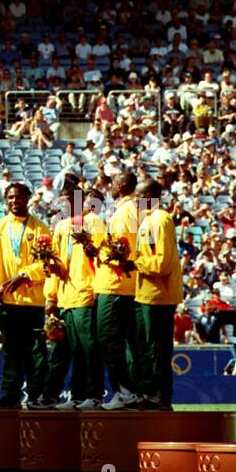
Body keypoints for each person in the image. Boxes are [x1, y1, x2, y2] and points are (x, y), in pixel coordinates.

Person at [0, 183, 52, 409]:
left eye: (19, 197)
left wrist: (24, 275)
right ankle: (10, 394)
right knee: (10, 351)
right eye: (11, 197)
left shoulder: (40, 228)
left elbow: (47, 264)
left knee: (35, 352)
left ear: (28, 199)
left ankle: (35, 394)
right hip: (7, 301)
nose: (14, 201)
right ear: (5, 199)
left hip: (33, 301)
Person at [44, 186, 105, 409]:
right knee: (72, 349)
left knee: (88, 348)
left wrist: (98, 290)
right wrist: (51, 296)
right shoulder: (61, 227)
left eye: (71, 201)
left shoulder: (94, 223)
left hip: (86, 294)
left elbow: (102, 258)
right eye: (64, 202)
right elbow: (56, 262)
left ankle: (95, 395)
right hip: (65, 297)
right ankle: (77, 396)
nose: (66, 206)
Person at [133, 180, 183, 409]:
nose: (135, 199)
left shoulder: (161, 220)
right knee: (146, 347)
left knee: (157, 348)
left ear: (152, 195)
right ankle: (149, 393)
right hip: (146, 294)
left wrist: (135, 263)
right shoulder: (147, 221)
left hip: (159, 296)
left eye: (139, 195)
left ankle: (161, 397)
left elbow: (162, 262)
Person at [96, 170, 139, 409]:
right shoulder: (137, 209)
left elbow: (120, 251)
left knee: (109, 338)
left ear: (121, 185)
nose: (109, 186)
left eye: (112, 183)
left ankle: (125, 390)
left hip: (115, 285)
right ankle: (136, 390)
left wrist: (100, 254)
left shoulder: (123, 213)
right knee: (129, 341)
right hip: (130, 286)